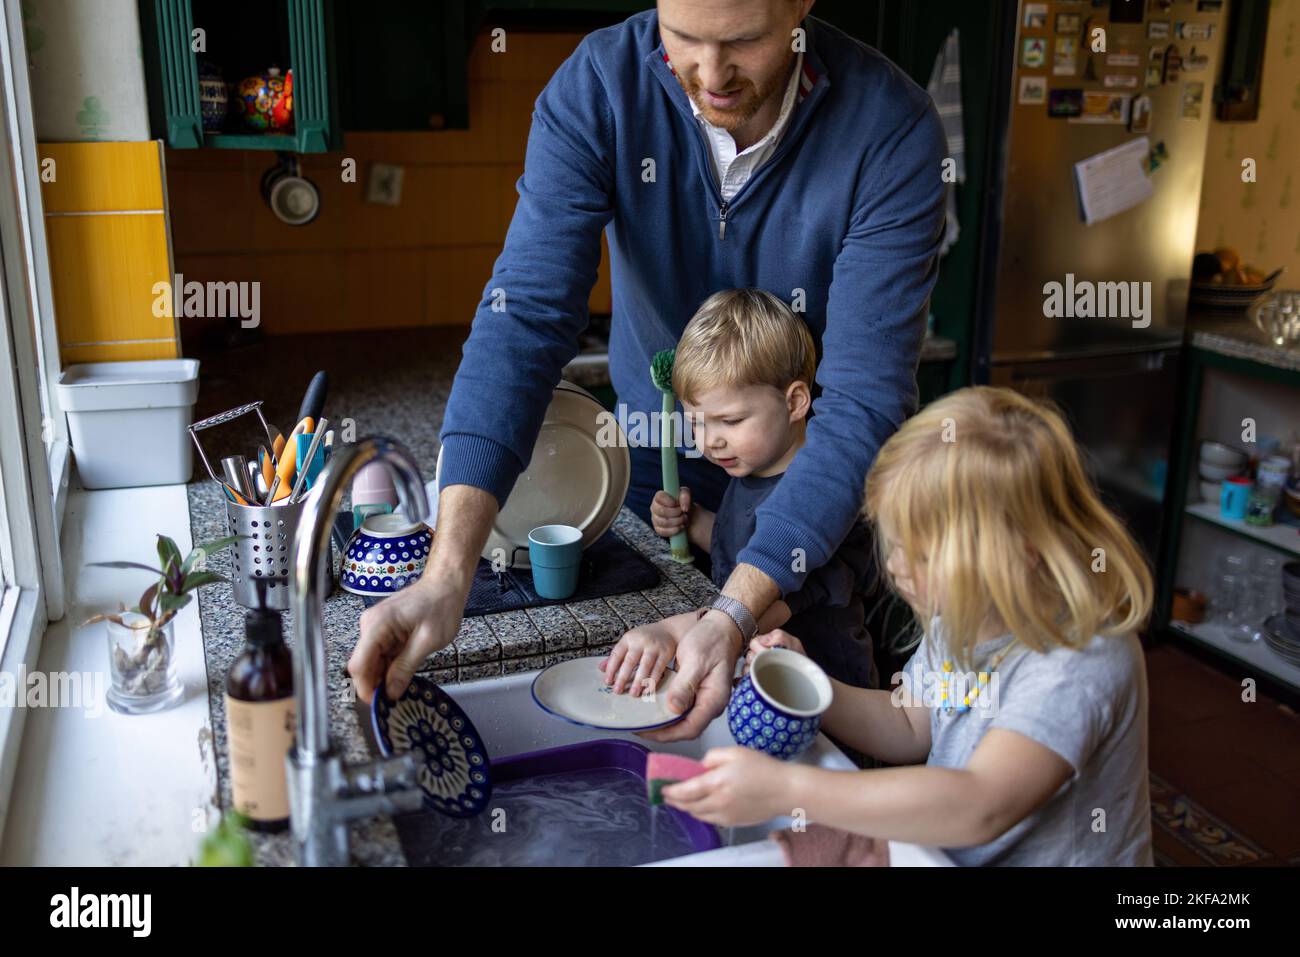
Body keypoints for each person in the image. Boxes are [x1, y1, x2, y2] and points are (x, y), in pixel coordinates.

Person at [348, 1, 946, 743]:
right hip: (658, 482)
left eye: (745, 43)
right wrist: (446, 575)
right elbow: (523, 319)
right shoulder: (600, 86)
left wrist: (730, 612)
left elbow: (860, 402)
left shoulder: (889, 128)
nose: (710, 73)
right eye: (684, 38)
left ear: (801, 9)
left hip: (816, 497)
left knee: (805, 736)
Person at [662, 387, 1155, 866]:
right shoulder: (969, 609)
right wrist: (810, 683)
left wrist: (789, 790)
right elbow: (910, 723)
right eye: (893, 542)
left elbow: (982, 804)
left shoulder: (1080, 660)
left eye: (917, 553)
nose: (894, 567)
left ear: (1011, 555)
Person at [600, 289, 877, 697]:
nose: (710, 441)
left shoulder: (821, 498)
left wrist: (673, 630)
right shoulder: (754, 467)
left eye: (729, 420)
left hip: (827, 695)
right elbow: (744, 550)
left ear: (796, 401)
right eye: (696, 422)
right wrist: (691, 522)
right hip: (762, 675)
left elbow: (762, 608)